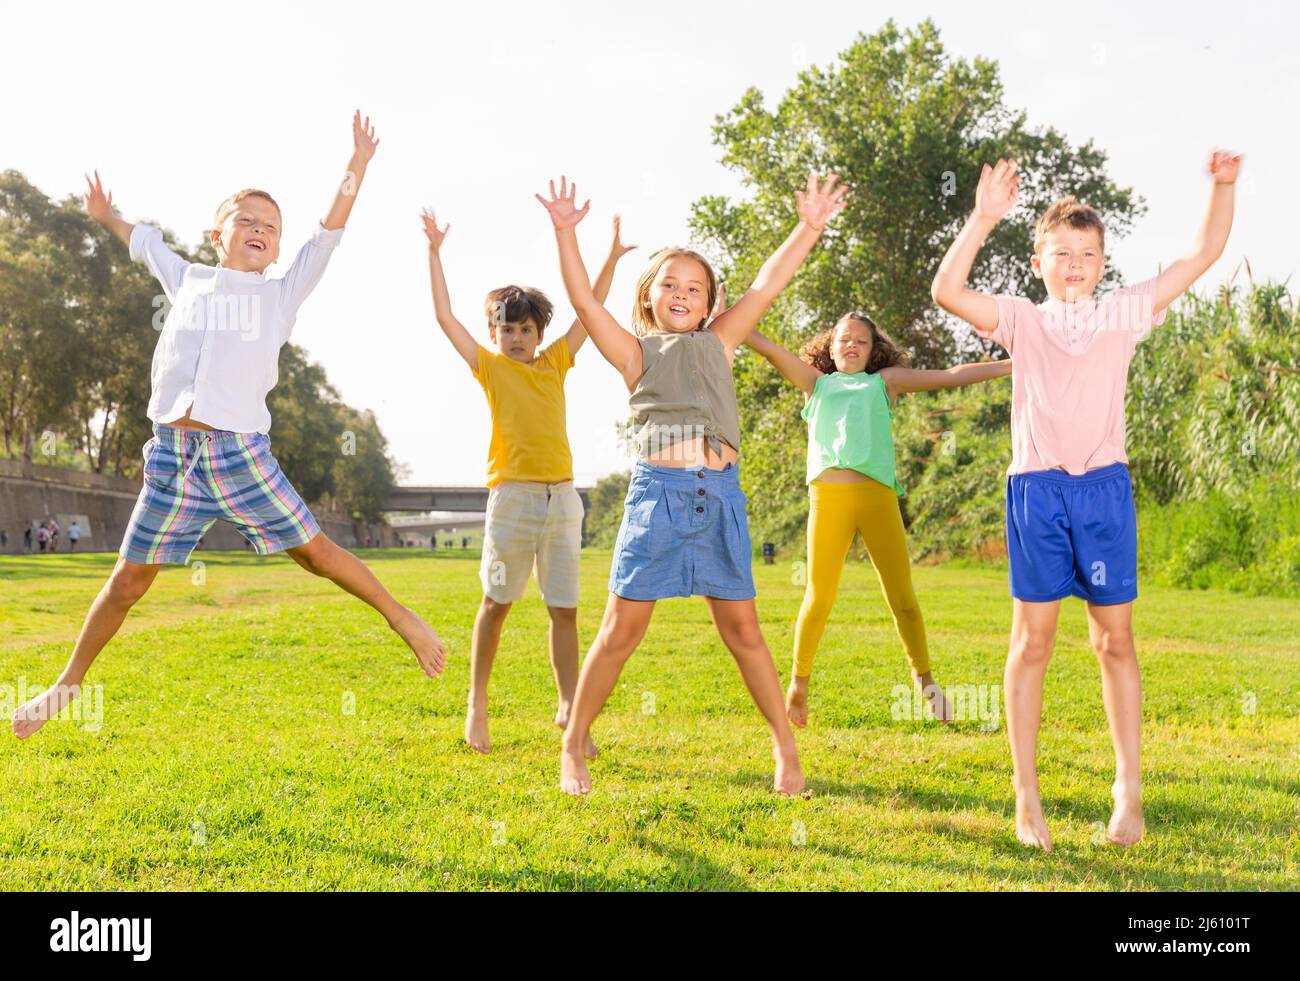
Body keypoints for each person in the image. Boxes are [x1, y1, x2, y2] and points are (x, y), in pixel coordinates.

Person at [12, 112, 447, 741]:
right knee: (127, 581)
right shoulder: (187, 278)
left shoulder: (281, 294)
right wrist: (106, 214)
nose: (261, 231)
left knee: (317, 554)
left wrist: (359, 163)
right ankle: (68, 683)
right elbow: (145, 241)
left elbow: (328, 232)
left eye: (271, 228)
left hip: (238, 454)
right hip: (171, 459)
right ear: (218, 233)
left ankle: (401, 617)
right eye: (248, 220)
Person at [930, 151, 1242, 849]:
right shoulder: (1018, 318)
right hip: (1037, 492)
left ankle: (1128, 791)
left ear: (1103, 263)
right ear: (1037, 260)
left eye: (1088, 252)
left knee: (1114, 639)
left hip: (1103, 492)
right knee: (1031, 641)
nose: (1075, 261)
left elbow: (1204, 252)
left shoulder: (1124, 311)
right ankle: (1026, 797)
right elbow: (948, 291)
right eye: (1060, 251)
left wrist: (1222, 184)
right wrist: (982, 219)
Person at [537, 173, 847, 796]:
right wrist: (567, 234)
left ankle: (786, 752)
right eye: (670, 285)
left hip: (721, 500)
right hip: (659, 500)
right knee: (621, 631)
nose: (682, 293)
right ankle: (575, 743)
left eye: (695, 287)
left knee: (745, 634)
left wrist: (809, 227)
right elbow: (584, 303)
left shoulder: (720, 340)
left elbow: (770, 281)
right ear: (649, 297)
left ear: (710, 302)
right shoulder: (634, 353)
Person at [423, 205, 634, 755]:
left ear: (539, 333)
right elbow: (445, 319)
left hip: (562, 501)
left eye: (525, 329)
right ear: (494, 334)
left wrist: (609, 256)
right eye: (506, 329)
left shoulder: (555, 362)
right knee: (496, 605)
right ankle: (477, 704)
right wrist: (434, 252)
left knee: (564, 610)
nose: (516, 337)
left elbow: (590, 311)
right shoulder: (490, 368)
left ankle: (571, 711)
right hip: (511, 500)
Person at [744, 318, 1010, 727]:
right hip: (829, 500)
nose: (852, 345)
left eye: (861, 341)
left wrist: (1012, 365)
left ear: (873, 350)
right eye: (843, 339)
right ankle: (798, 684)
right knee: (819, 596)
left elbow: (950, 376)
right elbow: (767, 348)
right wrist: (732, 318)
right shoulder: (816, 384)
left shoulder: (884, 382)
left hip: (877, 498)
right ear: (830, 349)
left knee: (903, 598)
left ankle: (925, 682)